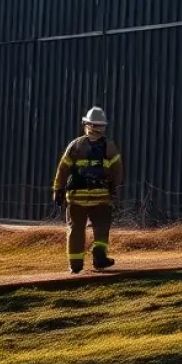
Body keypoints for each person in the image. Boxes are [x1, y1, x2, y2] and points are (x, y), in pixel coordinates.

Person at [52, 107, 123, 274]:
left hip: (77, 197)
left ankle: (75, 264)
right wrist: (114, 188)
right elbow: (117, 170)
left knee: (76, 229)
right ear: (102, 126)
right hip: (100, 196)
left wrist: (57, 189)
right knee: (101, 226)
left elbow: (63, 169)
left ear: (86, 124)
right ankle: (99, 256)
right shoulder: (109, 146)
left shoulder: (76, 145)